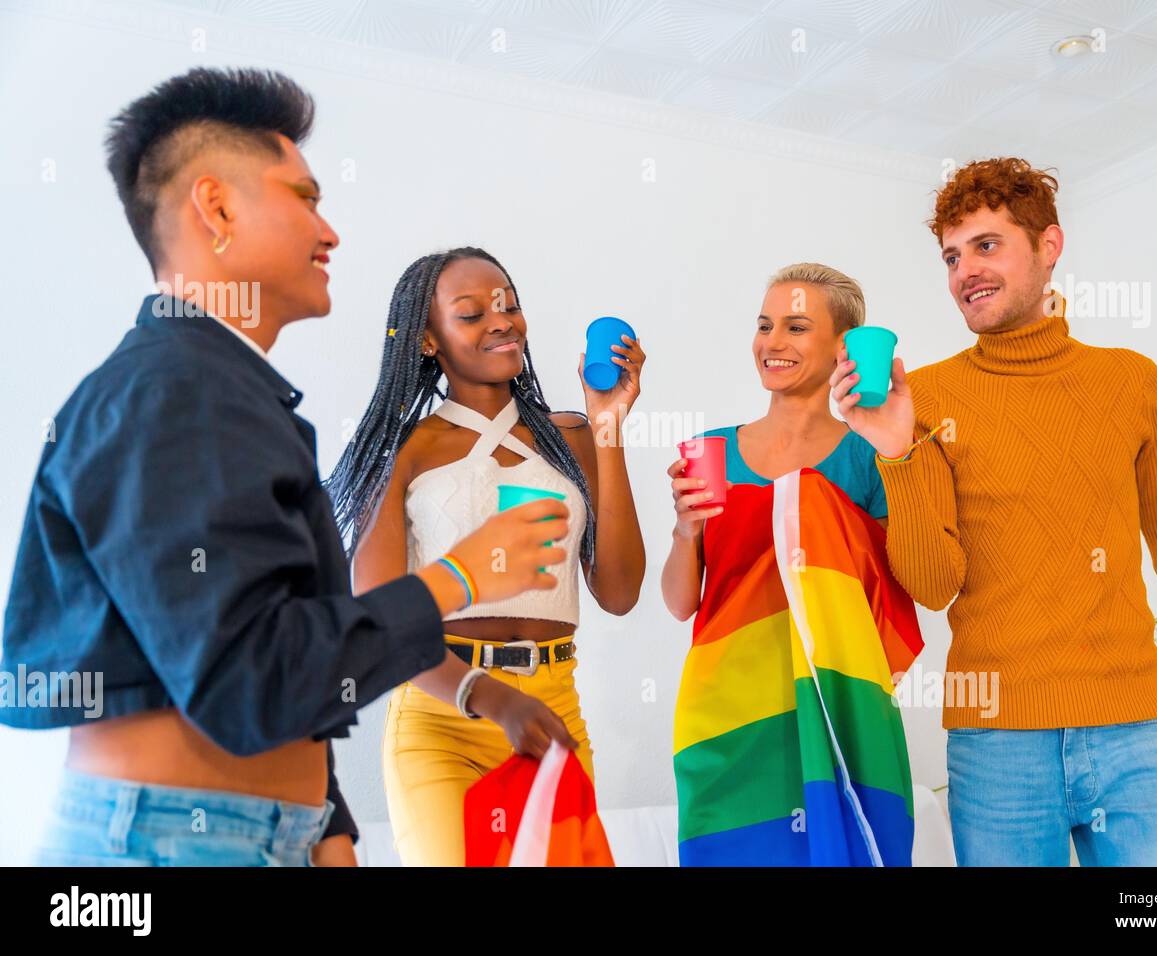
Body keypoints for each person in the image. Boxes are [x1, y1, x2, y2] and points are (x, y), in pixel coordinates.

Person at [0, 67, 569, 867]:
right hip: (168, 843)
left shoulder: (226, 394)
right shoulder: (173, 393)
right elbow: (248, 676)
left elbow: (265, 637)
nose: (329, 232)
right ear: (218, 207)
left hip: (256, 838)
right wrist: (459, 580)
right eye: (304, 198)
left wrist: (326, 823)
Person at [831, 156, 1157, 866]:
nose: (965, 272)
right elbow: (933, 582)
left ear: (1049, 246)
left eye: (987, 246)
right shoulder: (922, 397)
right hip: (995, 744)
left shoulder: (1132, 382)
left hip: (1136, 731)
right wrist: (897, 451)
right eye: (952, 256)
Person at [328, 247, 647, 866]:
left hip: (553, 709)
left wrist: (609, 428)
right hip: (442, 715)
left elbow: (618, 590)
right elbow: (381, 620)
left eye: (509, 305)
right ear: (427, 339)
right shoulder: (403, 451)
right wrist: (490, 697)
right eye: (471, 313)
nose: (501, 321)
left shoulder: (572, 435)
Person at [662, 263, 922, 865]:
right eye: (764, 325)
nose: (772, 343)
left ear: (843, 347)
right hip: (728, 716)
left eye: (797, 327)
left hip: (838, 712)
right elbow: (680, 604)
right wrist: (685, 528)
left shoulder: (871, 456)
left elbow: (897, 597)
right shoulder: (713, 452)